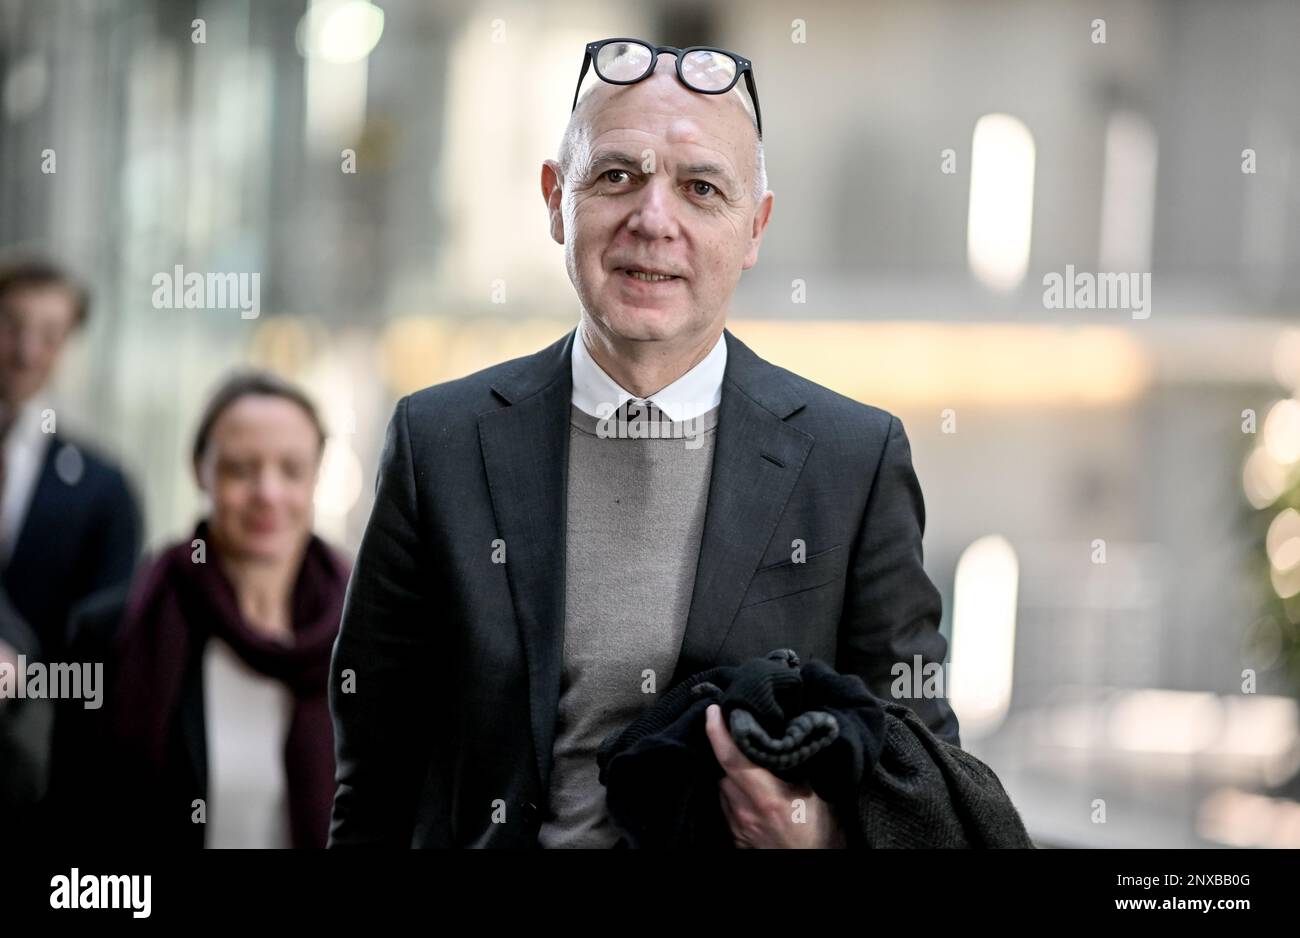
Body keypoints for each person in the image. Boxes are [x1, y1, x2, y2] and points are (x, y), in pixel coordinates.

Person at [329, 38, 959, 849]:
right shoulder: (438, 444)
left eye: (701, 188)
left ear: (754, 227)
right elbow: (373, 779)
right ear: (558, 200)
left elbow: (928, 775)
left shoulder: (851, 463)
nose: (653, 220)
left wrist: (819, 834)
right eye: (616, 176)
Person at [57, 370, 348, 848]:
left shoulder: (366, 635)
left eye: (291, 470)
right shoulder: (110, 632)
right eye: (240, 469)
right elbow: (73, 823)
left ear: (317, 476)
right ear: (200, 471)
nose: (267, 493)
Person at [0, 258, 141, 828]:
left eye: (51, 335)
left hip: (31, 775)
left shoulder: (104, 491)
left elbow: (105, 652)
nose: (27, 351)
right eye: (12, 325)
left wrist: (24, 675)